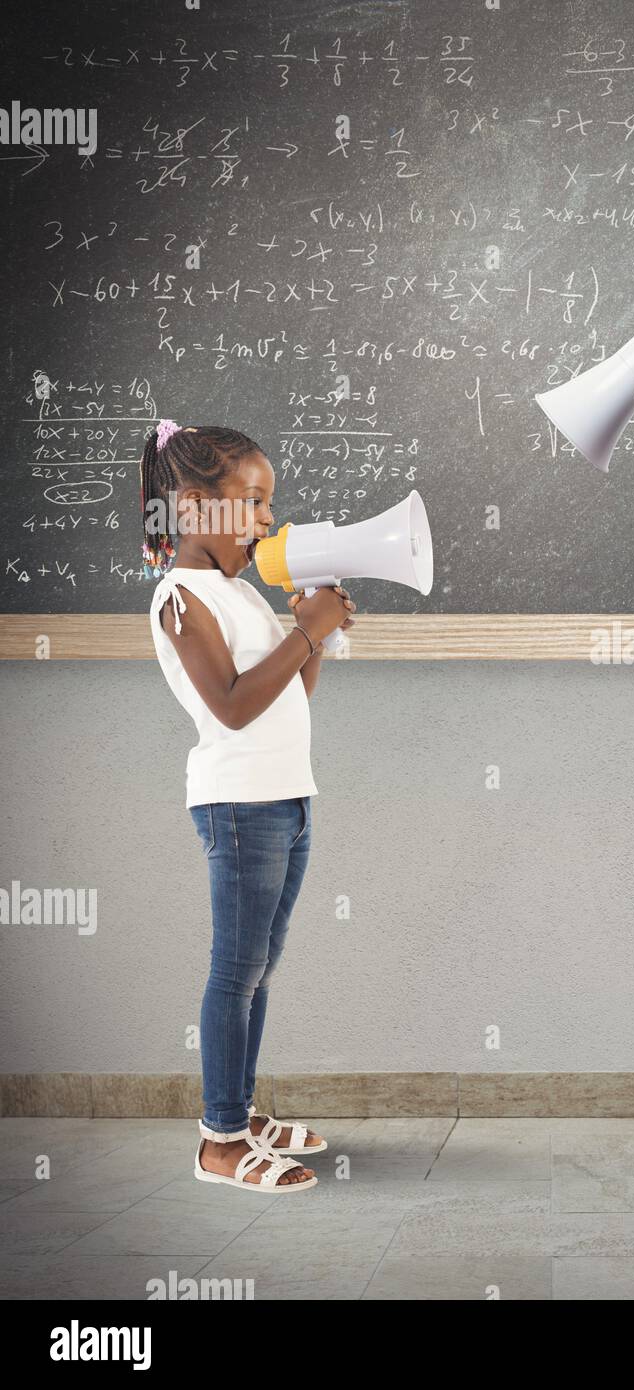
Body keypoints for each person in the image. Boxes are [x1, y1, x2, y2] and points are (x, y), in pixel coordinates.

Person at [141, 420, 357, 1193]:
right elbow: (231, 708)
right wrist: (305, 631)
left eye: (270, 504)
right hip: (239, 808)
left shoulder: (235, 593)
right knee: (234, 972)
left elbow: (288, 695)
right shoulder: (179, 596)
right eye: (255, 501)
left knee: (259, 969)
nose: (268, 521)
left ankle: (237, 1108)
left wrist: (314, 640)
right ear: (195, 507)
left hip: (285, 798)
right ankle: (220, 1143)